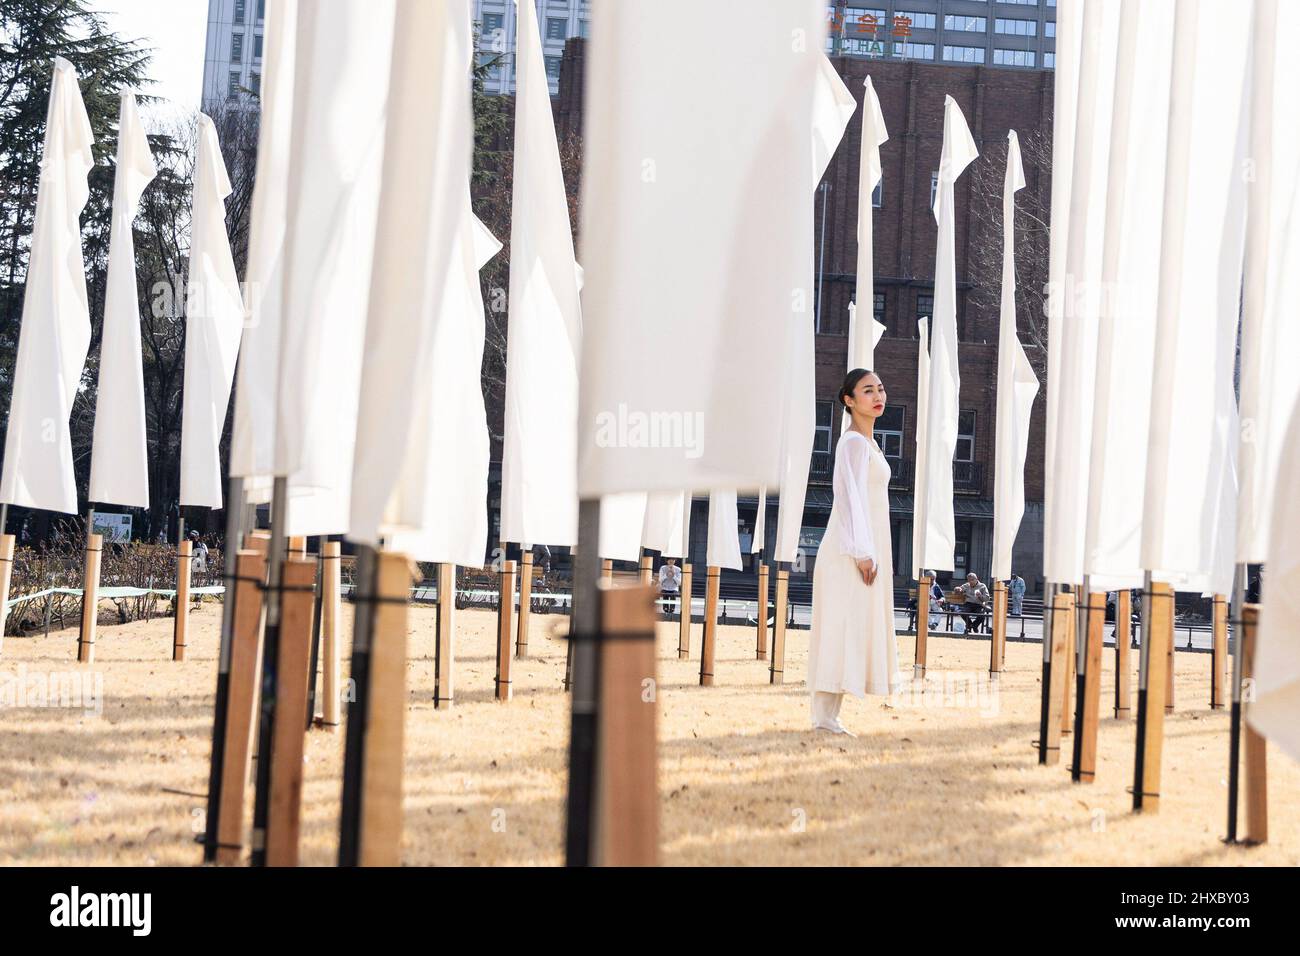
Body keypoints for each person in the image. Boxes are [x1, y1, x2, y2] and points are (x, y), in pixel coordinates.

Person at [807, 368, 900, 736]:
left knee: (851, 623)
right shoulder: (853, 444)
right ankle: (824, 717)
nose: (878, 395)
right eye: (867, 391)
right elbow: (848, 500)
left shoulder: (868, 443)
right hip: (848, 551)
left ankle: (830, 716)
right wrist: (862, 551)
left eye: (880, 388)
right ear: (849, 400)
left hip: (865, 546)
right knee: (840, 624)